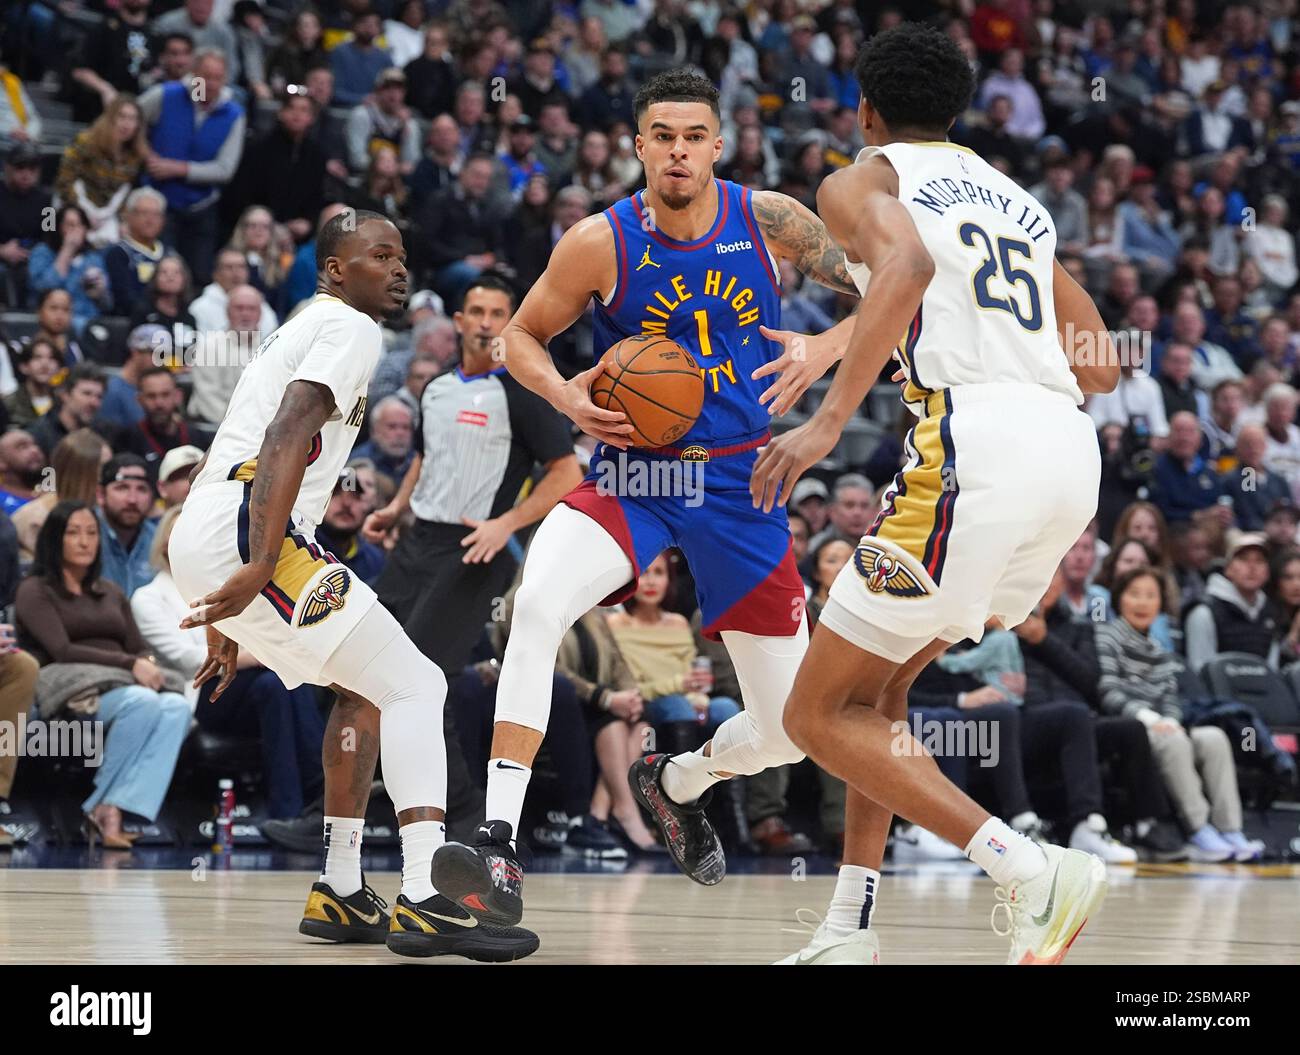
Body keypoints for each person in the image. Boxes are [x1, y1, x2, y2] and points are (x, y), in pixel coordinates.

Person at [429, 68, 862, 930]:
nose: (678, 150)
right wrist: (564, 395)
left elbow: (895, 288)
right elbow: (519, 334)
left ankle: (677, 779)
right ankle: (496, 845)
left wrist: (825, 346)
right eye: (662, 135)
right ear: (638, 145)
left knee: (792, 730)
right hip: (638, 472)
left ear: (718, 144)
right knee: (537, 604)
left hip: (744, 479)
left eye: (694, 135)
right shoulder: (600, 240)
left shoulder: (770, 219)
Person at [744, 25, 1118, 966]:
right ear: (956, 110)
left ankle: (1030, 867)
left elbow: (905, 271)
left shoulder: (860, 178)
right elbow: (1104, 365)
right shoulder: (1017, 200)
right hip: (1069, 452)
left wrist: (830, 419)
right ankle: (847, 930)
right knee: (884, 691)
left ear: (865, 109)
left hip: (974, 446)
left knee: (813, 714)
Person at [169, 209, 536, 960]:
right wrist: (261, 561)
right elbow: (285, 433)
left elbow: (248, 438)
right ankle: (428, 893)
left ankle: (340, 889)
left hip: (217, 520)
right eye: (379, 255)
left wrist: (228, 603)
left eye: (403, 256)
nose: (399, 268)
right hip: (250, 524)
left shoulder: (304, 325)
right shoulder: (350, 327)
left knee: (366, 690)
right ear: (335, 268)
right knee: (418, 685)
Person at [14, 501, 190, 850]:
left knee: (175, 707)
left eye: (92, 533)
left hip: (120, 686)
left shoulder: (109, 590)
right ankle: (100, 806)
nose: (85, 541)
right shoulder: (35, 589)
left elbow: (138, 647)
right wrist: (129, 665)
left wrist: (142, 662)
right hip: (68, 690)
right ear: (54, 538)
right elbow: (61, 649)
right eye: (74, 533)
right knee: (142, 701)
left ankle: (114, 808)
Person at [132, 507, 326, 818]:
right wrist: (258, 656)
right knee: (278, 680)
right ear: (165, 541)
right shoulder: (148, 598)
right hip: (199, 694)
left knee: (277, 685)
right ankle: (318, 790)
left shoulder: (228, 586)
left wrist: (261, 655)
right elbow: (190, 659)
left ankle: (290, 810)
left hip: (249, 686)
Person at [1096, 567, 1264, 862]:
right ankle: (1198, 828)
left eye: (1150, 596)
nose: (1142, 603)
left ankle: (1231, 828)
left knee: (1212, 737)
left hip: (1164, 725)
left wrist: (1171, 720)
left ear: (1161, 603)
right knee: (1175, 742)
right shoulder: (1106, 637)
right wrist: (1151, 719)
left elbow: (1171, 698)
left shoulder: (1160, 650)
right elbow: (1108, 691)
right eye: (1134, 594)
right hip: (1131, 727)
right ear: (1119, 599)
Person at [54, 96, 149, 250]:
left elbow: (126, 193)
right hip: (76, 205)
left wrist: (123, 220)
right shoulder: (87, 141)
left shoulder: (137, 155)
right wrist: (84, 214)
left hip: (109, 215)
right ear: (110, 119)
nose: (126, 124)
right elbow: (64, 180)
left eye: (132, 119)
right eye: (122, 117)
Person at [12, 428, 108, 562]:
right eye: (103, 468)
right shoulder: (34, 519)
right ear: (80, 472)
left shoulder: (108, 511)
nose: (110, 475)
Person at [27, 207, 111, 336]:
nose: (75, 230)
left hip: (88, 323)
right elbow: (43, 288)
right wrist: (67, 251)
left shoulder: (93, 259)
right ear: (58, 227)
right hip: (50, 323)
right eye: (70, 225)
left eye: (80, 225)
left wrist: (100, 293)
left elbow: (108, 305)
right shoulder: (42, 252)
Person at [104, 188, 170, 317]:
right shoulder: (118, 254)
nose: (150, 220)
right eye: (144, 213)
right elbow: (124, 299)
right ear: (129, 216)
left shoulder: (170, 254)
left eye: (156, 214)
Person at [4, 336, 59, 429]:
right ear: (24, 366)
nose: (45, 364)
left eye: (51, 358)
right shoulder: (9, 404)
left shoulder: (63, 403)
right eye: (37, 357)